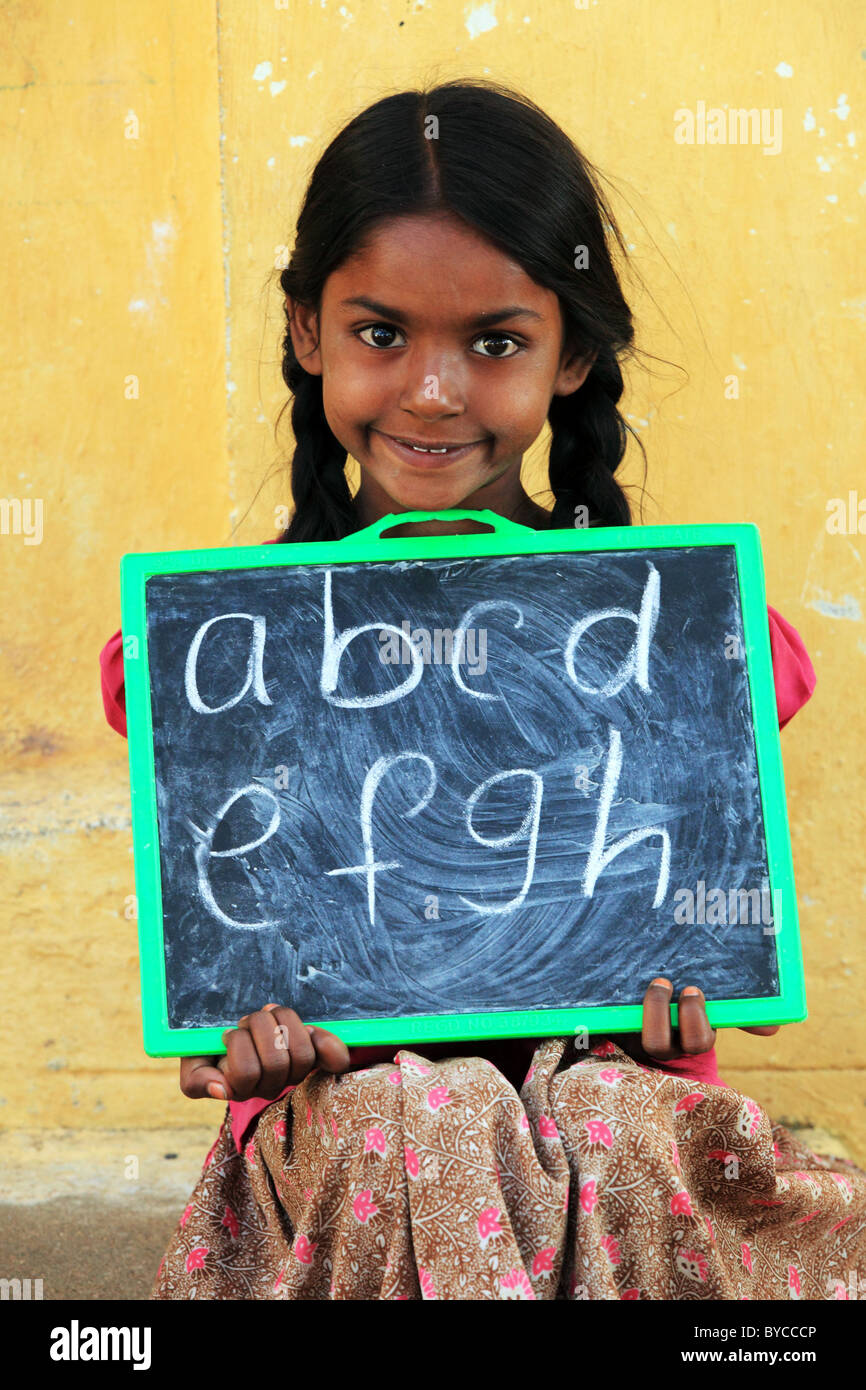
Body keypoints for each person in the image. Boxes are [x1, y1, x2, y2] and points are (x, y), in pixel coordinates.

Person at [99, 80, 865, 1300]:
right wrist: (235, 1041)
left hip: (601, 1106)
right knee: (428, 1108)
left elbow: (700, 889)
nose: (435, 390)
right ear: (306, 332)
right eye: (380, 332)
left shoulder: (684, 639)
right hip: (346, 1116)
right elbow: (225, 935)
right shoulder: (220, 652)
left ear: (571, 354)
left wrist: (687, 1002)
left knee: (602, 1105)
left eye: (495, 342)